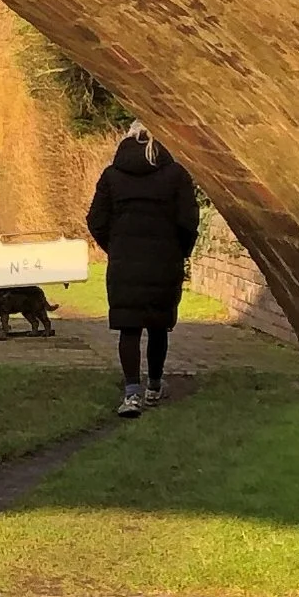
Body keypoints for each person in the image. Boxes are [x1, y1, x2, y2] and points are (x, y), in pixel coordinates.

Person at [85, 123, 200, 415]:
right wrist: (180, 252)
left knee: (130, 327)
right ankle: (154, 386)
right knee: (159, 325)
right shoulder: (176, 175)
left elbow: (96, 220)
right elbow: (188, 220)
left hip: (125, 263)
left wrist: (117, 248)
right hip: (164, 261)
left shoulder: (112, 176)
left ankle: (131, 393)